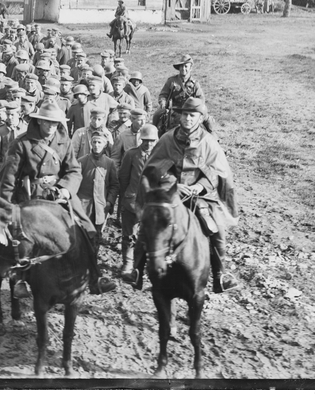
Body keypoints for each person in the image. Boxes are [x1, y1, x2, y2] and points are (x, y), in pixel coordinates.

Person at [0, 101, 117, 297]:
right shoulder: (22, 143)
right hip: (30, 194)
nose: (52, 126)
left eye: (55, 123)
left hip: (58, 194)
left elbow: (73, 171)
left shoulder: (65, 141)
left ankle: (95, 277)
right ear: (39, 121)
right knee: (20, 235)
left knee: (87, 228)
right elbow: (9, 177)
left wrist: (65, 190)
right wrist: (7, 205)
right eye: (48, 122)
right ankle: (20, 278)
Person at [133, 98, 239, 294]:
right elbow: (153, 168)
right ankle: (137, 269)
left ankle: (220, 274)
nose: (188, 119)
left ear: (200, 118)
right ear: (179, 116)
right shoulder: (167, 139)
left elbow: (219, 172)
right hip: (170, 191)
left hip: (200, 195)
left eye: (192, 115)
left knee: (214, 225)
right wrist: (175, 185)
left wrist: (200, 186)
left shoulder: (209, 142)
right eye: (185, 114)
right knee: (151, 221)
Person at [118, 124, 158, 277]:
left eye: (152, 141)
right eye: (146, 140)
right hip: (132, 201)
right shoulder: (131, 154)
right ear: (141, 139)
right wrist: (124, 199)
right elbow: (123, 178)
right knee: (129, 235)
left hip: (152, 202)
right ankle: (128, 263)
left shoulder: (159, 156)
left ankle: (144, 264)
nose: (149, 144)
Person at [76, 131, 119, 254]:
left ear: (105, 145)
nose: (96, 145)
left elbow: (114, 185)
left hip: (100, 207)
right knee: (81, 237)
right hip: (83, 207)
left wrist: (110, 202)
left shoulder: (109, 163)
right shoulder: (81, 161)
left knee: (96, 238)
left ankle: (92, 265)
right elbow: (74, 182)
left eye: (99, 142)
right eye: (94, 142)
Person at [153, 54, 205, 136]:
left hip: (190, 110)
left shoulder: (195, 84)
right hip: (173, 109)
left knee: (206, 118)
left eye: (186, 66)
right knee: (157, 114)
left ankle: (214, 139)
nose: (183, 69)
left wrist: (197, 108)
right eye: (181, 66)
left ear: (190, 68)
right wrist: (163, 103)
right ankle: (153, 135)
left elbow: (200, 99)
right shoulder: (171, 81)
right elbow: (163, 94)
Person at [0, 100, 27, 185]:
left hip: (22, 170)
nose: (9, 117)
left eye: (12, 115)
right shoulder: (0, 131)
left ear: (19, 114)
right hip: (5, 169)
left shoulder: (26, 129)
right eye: (8, 114)